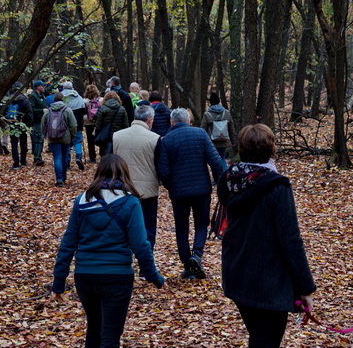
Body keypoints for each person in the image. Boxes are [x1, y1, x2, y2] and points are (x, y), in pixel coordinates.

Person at [217, 124, 316, 347]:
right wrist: (306, 288)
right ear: (271, 149)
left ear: (241, 149)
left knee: (260, 336)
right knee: (266, 338)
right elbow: (291, 240)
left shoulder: (231, 180)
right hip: (266, 283)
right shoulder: (276, 187)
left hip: (238, 275)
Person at [51, 154, 164, 348]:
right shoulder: (130, 203)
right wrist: (154, 276)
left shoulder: (82, 201)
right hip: (116, 278)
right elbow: (140, 245)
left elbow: (68, 243)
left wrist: (59, 281)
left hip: (85, 277)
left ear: (98, 173)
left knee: (94, 329)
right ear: (124, 173)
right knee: (110, 336)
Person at [157, 108, 224, 280]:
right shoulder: (200, 134)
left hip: (179, 193)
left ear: (172, 122)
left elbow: (163, 171)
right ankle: (197, 255)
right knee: (201, 224)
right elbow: (216, 162)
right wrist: (221, 186)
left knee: (182, 228)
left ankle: (188, 266)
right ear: (188, 120)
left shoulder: (166, 140)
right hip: (201, 189)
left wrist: (170, 186)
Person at [113, 105, 161, 249]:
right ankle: (145, 264)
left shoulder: (117, 136)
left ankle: (124, 261)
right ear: (150, 120)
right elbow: (160, 165)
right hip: (148, 190)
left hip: (122, 188)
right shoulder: (155, 138)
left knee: (124, 225)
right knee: (148, 228)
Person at [41, 92, 77, 187]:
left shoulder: (49, 111)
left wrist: (46, 134)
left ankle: (59, 179)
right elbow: (73, 125)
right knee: (64, 157)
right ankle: (64, 177)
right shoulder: (67, 110)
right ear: (63, 99)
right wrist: (72, 136)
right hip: (65, 137)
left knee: (57, 157)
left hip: (53, 138)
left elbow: (43, 124)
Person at [200, 92, 235, 170]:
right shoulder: (226, 113)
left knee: (213, 160)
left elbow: (202, 129)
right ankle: (225, 175)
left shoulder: (207, 115)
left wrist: (202, 142)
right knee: (222, 157)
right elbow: (231, 128)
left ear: (210, 102)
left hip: (211, 142)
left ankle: (218, 177)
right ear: (219, 101)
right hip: (224, 140)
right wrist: (233, 141)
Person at [6, 82, 34, 170]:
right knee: (23, 142)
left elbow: (4, 111)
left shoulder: (9, 99)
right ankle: (23, 162)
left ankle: (16, 163)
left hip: (12, 123)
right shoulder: (25, 100)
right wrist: (29, 124)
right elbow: (29, 113)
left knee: (14, 143)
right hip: (22, 124)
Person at [61, 81, 87, 171]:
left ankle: (67, 161)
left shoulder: (61, 96)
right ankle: (79, 157)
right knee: (77, 141)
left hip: (65, 124)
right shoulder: (78, 97)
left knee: (67, 143)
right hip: (77, 123)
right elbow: (84, 110)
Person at [94, 90, 129, 155]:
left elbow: (98, 125)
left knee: (108, 154)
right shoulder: (122, 109)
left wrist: (97, 134)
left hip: (107, 136)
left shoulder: (103, 109)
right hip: (119, 136)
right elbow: (126, 125)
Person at [29, 80, 48, 166]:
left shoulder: (42, 95)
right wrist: (42, 110)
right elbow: (31, 110)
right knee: (38, 139)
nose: (44, 87)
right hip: (36, 122)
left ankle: (38, 157)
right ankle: (37, 158)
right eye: (42, 86)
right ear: (38, 87)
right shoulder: (33, 96)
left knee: (41, 140)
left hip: (42, 121)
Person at [83, 84, 101, 163]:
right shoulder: (100, 100)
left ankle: (92, 157)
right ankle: (102, 155)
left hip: (88, 122)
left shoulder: (85, 101)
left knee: (90, 141)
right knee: (100, 138)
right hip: (98, 121)